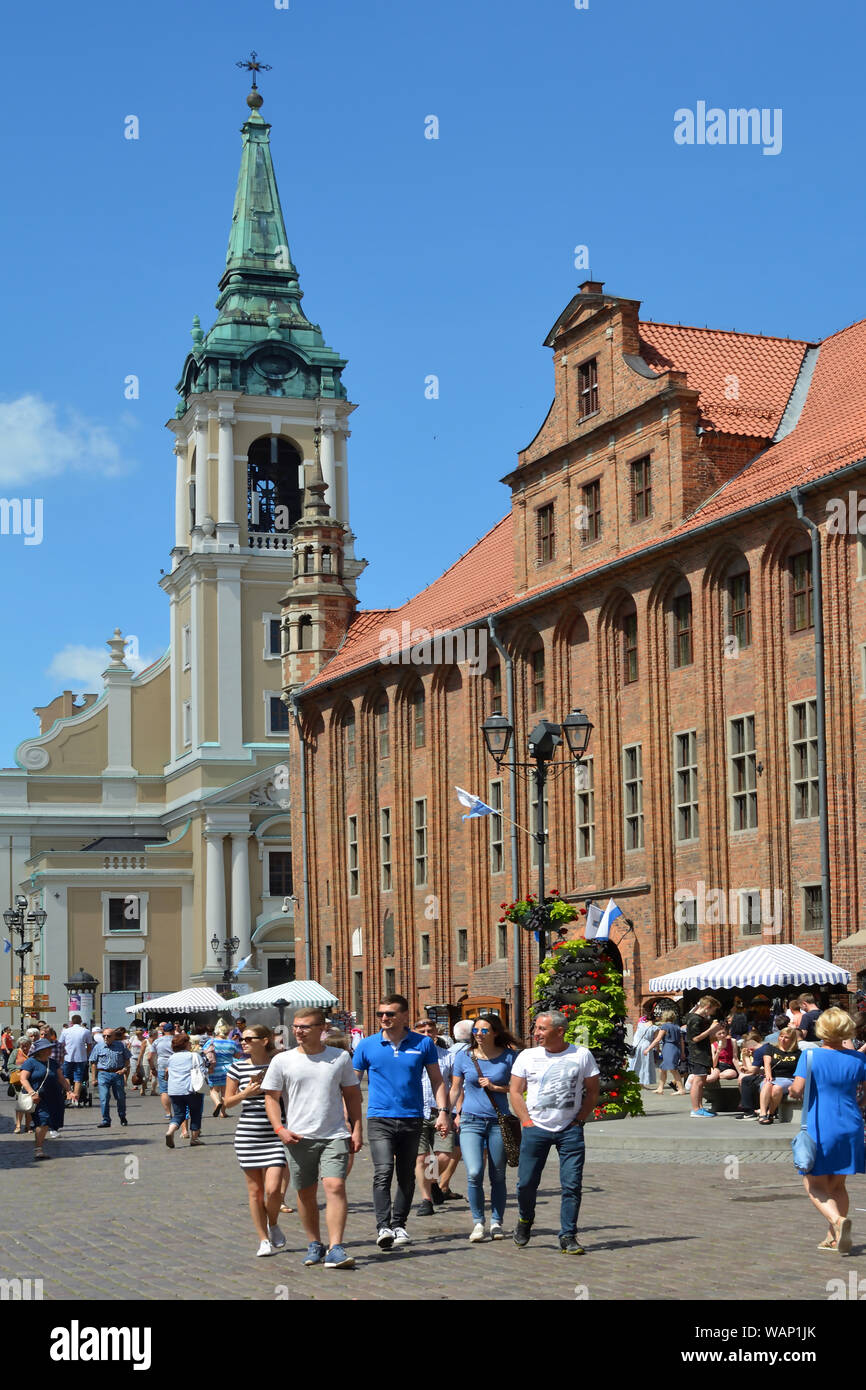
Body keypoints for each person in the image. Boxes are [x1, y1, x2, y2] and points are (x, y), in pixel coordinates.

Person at [263, 1007, 362, 1270]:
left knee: (335, 1186)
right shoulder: (282, 1060)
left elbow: (352, 1095)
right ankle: (314, 1243)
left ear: (322, 1029)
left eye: (305, 1026)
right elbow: (271, 1098)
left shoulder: (339, 1057)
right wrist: (279, 1129)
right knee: (306, 1193)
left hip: (335, 1134)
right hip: (297, 1137)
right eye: (296, 1026)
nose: (298, 1031)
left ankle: (336, 1247)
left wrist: (357, 1128)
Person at [352, 993, 450, 1251]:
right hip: (379, 1117)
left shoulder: (423, 1044)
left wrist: (443, 1111)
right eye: (380, 1014)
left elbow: (438, 1080)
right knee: (383, 1171)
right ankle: (383, 1226)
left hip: (412, 1118)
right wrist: (349, 1118)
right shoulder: (367, 1045)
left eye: (390, 1014)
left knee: (406, 1175)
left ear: (404, 1015)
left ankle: (399, 1224)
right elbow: (351, 1084)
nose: (384, 1018)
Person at [509, 1009, 600, 1254]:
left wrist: (579, 1120)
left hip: (569, 1130)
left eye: (541, 1029)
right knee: (526, 1183)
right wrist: (526, 1122)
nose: (535, 1033)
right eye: (536, 1028)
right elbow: (515, 1091)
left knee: (571, 1185)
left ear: (560, 1031)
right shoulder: (527, 1056)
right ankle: (525, 1219)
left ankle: (568, 1235)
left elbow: (592, 1091)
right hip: (535, 1128)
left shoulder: (581, 1055)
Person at [788, 1008, 866, 1252]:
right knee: (837, 1185)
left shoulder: (811, 1056)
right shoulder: (859, 1059)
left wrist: (790, 1090)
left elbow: (797, 1090)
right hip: (851, 1124)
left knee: (814, 1185)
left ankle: (837, 1221)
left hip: (820, 1125)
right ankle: (833, 1237)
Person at [451, 1013, 521, 1240]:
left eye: (484, 1031)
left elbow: (518, 1088)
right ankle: (478, 1222)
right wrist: (446, 1113)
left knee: (498, 1174)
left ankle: (497, 1222)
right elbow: (455, 1088)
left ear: (495, 1033)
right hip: (470, 1120)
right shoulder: (464, 1057)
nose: (478, 1034)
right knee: (474, 1172)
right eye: (475, 1031)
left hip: (498, 1122)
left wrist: (495, 1086)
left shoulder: (510, 1057)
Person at [224, 1023, 290, 1257]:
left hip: (275, 1132)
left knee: (273, 1191)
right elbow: (227, 1102)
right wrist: (246, 1094)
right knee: (255, 1192)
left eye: (249, 1039)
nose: (243, 1042)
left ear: (264, 1040)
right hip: (248, 1134)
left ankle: (273, 1223)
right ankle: (263, 1239)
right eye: (242, 1039)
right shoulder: (237, 1068)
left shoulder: (279, 1064)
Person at [412, 1018, 455, 1216]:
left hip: (441, 1112)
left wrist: (455, 1112)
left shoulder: (447, 1056)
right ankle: (426, 1199)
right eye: (422, 1031)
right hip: (416, 1112)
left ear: (436, 1032)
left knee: (443, 1156)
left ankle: (432, 1182)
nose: (427, 1034)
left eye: (431, 1030)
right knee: (421, 1158)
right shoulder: (409, 1056)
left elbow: (456, 1086)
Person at [19, 1035, 70, 1159]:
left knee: (48, 1122)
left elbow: (61, 1079)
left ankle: (39, 1146)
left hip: (54, 1097)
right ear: (40, 1050)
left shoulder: (53, 1062)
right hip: (38, 1098)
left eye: (50, 1048)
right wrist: (31, 1092)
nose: (50, 1050)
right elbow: (23, 1079)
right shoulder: (30, 1062)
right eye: (47, 1048)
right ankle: (38, 1148)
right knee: (43, 1120)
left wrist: (69, 1090)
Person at [164, 1032, 206, 1147]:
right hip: (191, 1089)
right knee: (196, 1113)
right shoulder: (194, 1056)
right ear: (186, 1043)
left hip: (174, 1090)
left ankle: (170, 1131)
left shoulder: (171, 1058)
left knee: (179, 1114)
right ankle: (194, 1139)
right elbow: (202, 1071)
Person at [684, 995, 723, 1117]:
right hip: (698, 1054)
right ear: (707, 1007)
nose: (713, 1012)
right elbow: (695, 1038)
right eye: (713, 1009)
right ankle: (696, 1109)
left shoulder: (698, 1018)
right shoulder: (695, 1019)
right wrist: (711, 1029)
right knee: (698, 1081)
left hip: (702, 1053)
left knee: (701, 1081)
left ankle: (699, 1107)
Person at [757, 1024, 801, 1123]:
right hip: (772, 1077)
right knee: (767, 1084)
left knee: (777, 1088)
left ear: (792, 1039)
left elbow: (799, 1070)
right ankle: (763, 1114)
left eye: (786, 1037)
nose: (783, 1039)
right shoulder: (771, 1048)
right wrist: (768, 1075)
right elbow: (767, 1063)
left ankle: (771, 1113)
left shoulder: (798, 1053)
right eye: (781, 1036)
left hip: (788, 1079)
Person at [89, 1027, 131, 1128]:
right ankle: (106, 1120)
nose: (106, 1038)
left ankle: (122, 1117)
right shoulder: (98, 1047)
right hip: (103, 1074)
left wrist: (124, 1070)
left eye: (108, 1036)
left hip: (117, 1074)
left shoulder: (121, 1045)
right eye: (104, 1036)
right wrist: (94, 1078)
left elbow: (127, 1059)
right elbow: (93, 1063)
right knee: (104, 1097)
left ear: (114, 1037)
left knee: (120, 1097)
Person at [645, 1009, 687, 1095]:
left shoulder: (665, 1026)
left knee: (673, 1070)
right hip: (676, 1048)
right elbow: (682, 1041)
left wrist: (648, 1048)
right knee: (662, 1069)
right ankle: (660, 1088)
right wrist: (682, 1053)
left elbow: (658, 1039)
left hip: (669, 1048)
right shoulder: (677, 1027)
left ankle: (681, 1089)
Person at [208, 1020, 240, 1118]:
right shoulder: (231, 1043)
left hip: (215, 1068)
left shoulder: (211, 1042)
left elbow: (205, 1052)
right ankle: (223, 1112)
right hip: (229, 1069)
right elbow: (237, 1055)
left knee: (214, 1090)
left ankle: (217, 1103)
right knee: (225, 1092)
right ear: (227, 1032)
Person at [62, 1013, 94, 1107]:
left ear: (71, 1022)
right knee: (78, 1078)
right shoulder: (86, 1031)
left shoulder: (66, 1031)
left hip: (67, 1057)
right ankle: (76, 1096)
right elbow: (89, 1045)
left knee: (66, 1076)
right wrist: (86, 1054)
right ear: (80, 1022)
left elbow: (61, 1044)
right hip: (81, 1058)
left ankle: (68, 1095)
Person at [148, 1022, 177, 1122]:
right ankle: (178, 1111)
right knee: (177, 1089)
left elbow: (149, 1057)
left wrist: (152, 1069)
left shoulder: (157, 1041)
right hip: (176, 1066)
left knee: (164, 1090)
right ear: (173, 1030)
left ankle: (168, 1113)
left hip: (162, 1066)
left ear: (163, 1031)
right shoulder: (177, 1040)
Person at [11, 1034, 34, 1134]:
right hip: (19, 1082)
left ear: (30, 1045)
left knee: (29, 1104)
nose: (24, 1048)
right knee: (20, 1104)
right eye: (22, 1046)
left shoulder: (33, 1053)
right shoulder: (15, 1052)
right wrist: (20, 1068)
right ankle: (18, 1125)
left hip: (31, 1081)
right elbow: (9, 1064)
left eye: (26, 1045)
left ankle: (28, 1126)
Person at [631, 1013, 658, 1089]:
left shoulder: (640, 1025)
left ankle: (634, 1081)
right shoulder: (655, 1028)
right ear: (654, 1019)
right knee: (645, 1065)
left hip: (637, 1045)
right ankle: (642, 1083)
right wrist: (656, 1050)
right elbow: (656, 1041)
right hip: (647, 1046)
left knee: (636, 1063)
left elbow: (636, 1035)